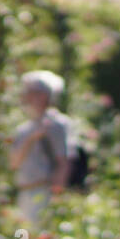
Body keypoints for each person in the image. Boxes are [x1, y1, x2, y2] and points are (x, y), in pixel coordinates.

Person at [8, 71, 71, 226]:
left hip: (45, 191)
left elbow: (63, 161)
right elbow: (14, 164)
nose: (26, 97)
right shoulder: (24, 129)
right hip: (24, 191)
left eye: (31, 92)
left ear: (44, 95)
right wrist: (30, 140)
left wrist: (57, 195)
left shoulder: (57, 125)